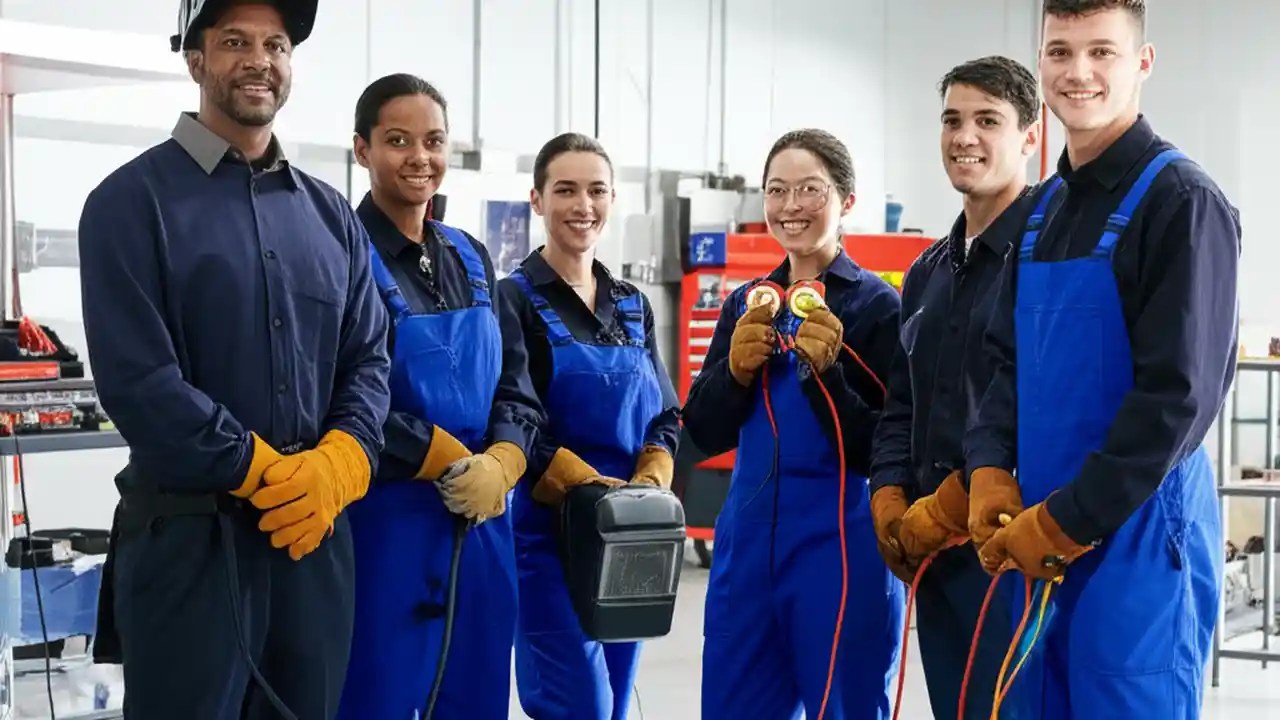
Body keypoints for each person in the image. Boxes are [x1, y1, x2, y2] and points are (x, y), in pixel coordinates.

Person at [79, 1, 391, 718]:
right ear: (196, 60)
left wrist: (338, 463)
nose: (259, 59)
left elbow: (369, 358)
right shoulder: (130, 203)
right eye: (235, 42)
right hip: (192, 544)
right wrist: (258, 469)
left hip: (314, 540)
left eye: (275, 44)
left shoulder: (329, 213)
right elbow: (140, 381)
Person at [964, 2, 1240, 718]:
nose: (1077, 72)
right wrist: (991, 470)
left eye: (1102, 52)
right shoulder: (1043, 210)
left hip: (1137, 543)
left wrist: (1066, 522)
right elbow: (1004, 363)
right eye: (1059, 51)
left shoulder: (1182, 203)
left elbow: (1176, 401)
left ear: (1142, 63)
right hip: (1034, 536)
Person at [336, 74, 544, 720]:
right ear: (362, 149)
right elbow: (337, 388)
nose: (419, 158)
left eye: (433, 140)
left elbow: (517, 383)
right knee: (379, 694)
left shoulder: (473, 256)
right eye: (397, 140)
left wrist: (506, 460)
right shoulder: (340, 254)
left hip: (484, 523)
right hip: (387, 526)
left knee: (477, 695)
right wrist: (435, 453)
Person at [683, 128, 905, 719]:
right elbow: (705, 430)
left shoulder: (876, 307)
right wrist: (732, 373)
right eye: (776, 190)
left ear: (846, 200)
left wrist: (826, 376)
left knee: (845, 705)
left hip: (840, 548)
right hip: (747, 548)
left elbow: (884, 446)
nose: (790, 206)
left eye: (810, 189)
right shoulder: (746, 303)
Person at [869, 55, 1042, 720]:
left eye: (987, 121)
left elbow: (1041, 409)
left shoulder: (1049, 261)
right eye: (952, 120)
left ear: (1030, 135)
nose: (964, 136)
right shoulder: (926, 274)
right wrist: (888, 496)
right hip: (930, 554)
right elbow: (901, 401)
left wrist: (955, 502)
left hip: (1009, 548)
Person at [498, 132, 681, 720]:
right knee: (580, 704)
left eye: (596, 190)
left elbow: (665, 410)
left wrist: (654, 466)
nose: (583, 205)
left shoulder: (632, 303)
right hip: (549, 538)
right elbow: (512, 414)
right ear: (537, 200)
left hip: (632, 538)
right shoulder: (513, 301)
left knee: (616, 705)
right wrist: (579, 483)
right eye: (566, 190)